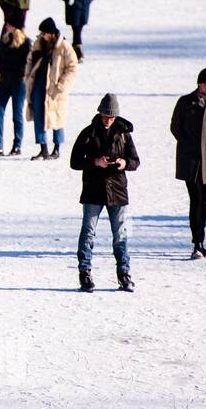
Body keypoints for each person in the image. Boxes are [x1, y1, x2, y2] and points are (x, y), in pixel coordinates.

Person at [70, 94, 140, 292]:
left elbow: (135, 161)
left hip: (117, 191)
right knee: (88, 232)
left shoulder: (124, 134)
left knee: (120, 234)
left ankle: (124, 274)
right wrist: (95, 163)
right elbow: (74, 161)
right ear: (99, 113)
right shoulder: (88, 132)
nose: (108, 119)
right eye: (105, 115)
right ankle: (85, 272)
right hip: (93, 189)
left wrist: (124, 163)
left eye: (112, 116)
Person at [170, 68, 206, 259]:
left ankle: (201, 241)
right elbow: (175, 127)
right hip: (190, 159)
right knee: (196, 199)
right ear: (199, 84)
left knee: (204, 200)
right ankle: (197, 242)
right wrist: (188, 144)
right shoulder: (185, 102)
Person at [25, 17, 79, 160]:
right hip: (38, 85)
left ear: (51, 33)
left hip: (55, 88)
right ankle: (43, 149)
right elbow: (30, 60)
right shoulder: (39, 44)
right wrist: (28, 77)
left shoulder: (64, 46)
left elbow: (73, 67)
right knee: (39, 116)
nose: (43, 36)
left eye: (45, 33)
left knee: (56, 116)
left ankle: (57, 148)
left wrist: (62, 85)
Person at [0, 22, 31, 157]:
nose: (6, 27)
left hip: (19, 83)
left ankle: (17, 145)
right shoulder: (4, 40)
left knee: (17, 115)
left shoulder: (26, 43)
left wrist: (18, 74)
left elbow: (27, 63)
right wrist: (2, 69)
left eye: (9, 25)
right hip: (4, 82)